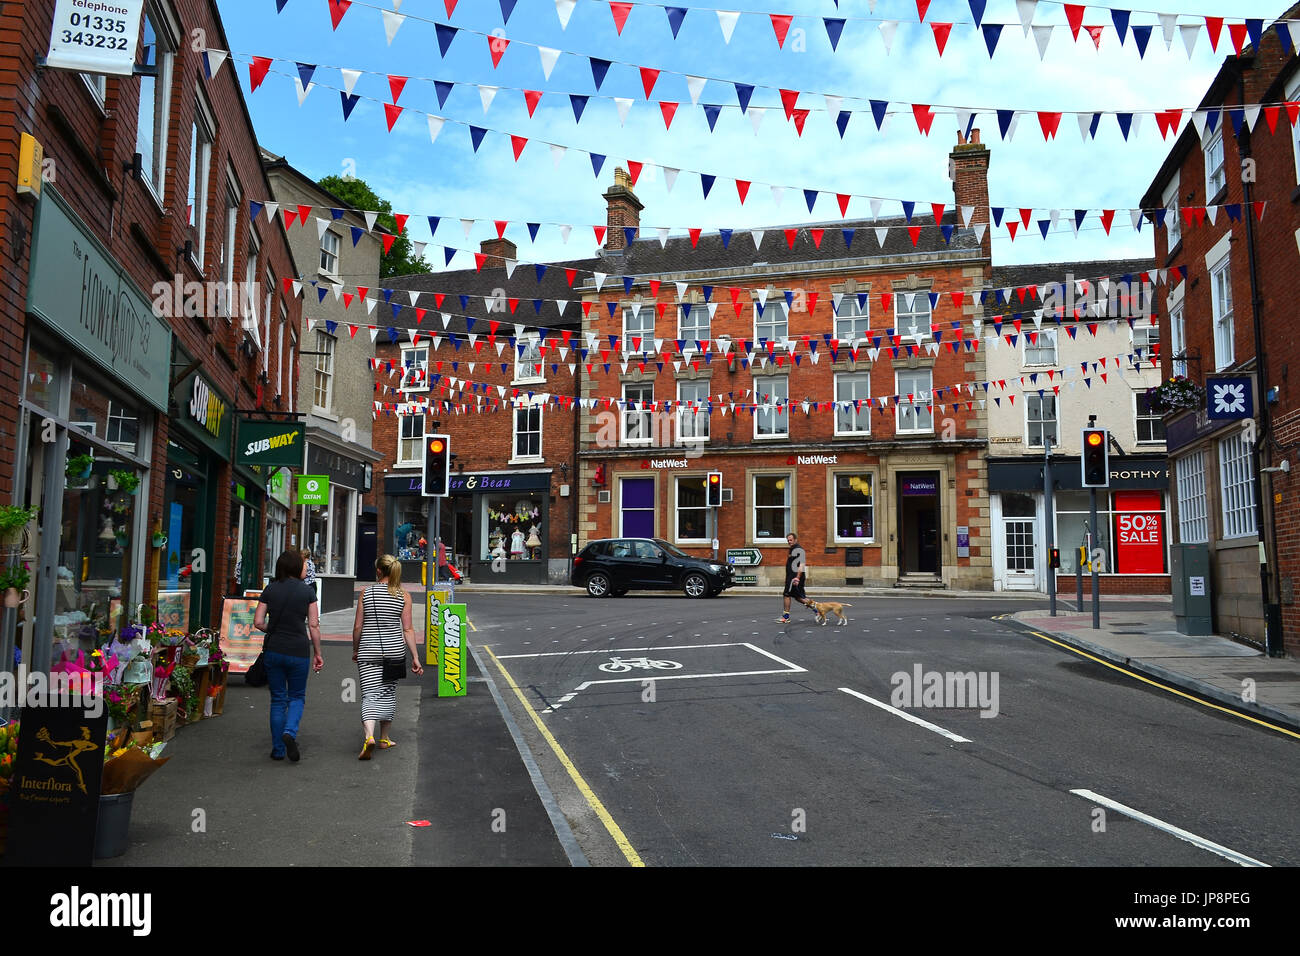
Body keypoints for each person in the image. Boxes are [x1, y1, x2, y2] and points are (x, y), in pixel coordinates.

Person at [254, 551, 324, 762]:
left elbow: (258, 622)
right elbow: (313, 625)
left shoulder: (270, 589)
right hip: (298, 650)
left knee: (277, 699)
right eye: (303, 566)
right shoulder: (308, 592)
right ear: (294, 567)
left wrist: (273, 628)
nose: (306, 569)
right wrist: (318, 653)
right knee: (296, 696)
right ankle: (290, 732)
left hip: (274, 650)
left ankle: (278, 750)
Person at [352, 554, 423, 760]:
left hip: (368, 650)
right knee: (388, 692)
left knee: (369, 694)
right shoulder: (404, 595)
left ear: (379, 571)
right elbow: (408, 630)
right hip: (394, 652)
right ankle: (384, 738)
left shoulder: (366, 593)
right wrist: (415, 657)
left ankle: (368, 736)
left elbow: (358, 627)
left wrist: (356, 649)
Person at [779, 532, 814, 624]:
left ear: (795, 540)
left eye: (791, 540)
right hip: (792, 577)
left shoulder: (799, 550)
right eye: (788, 540)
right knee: (798, 597)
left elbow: (802, 565)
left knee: (787, 594)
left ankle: (786, 617)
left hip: (795, 577)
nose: (789, 541)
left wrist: (797, 578)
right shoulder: (793, 549)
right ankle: (816, 609)